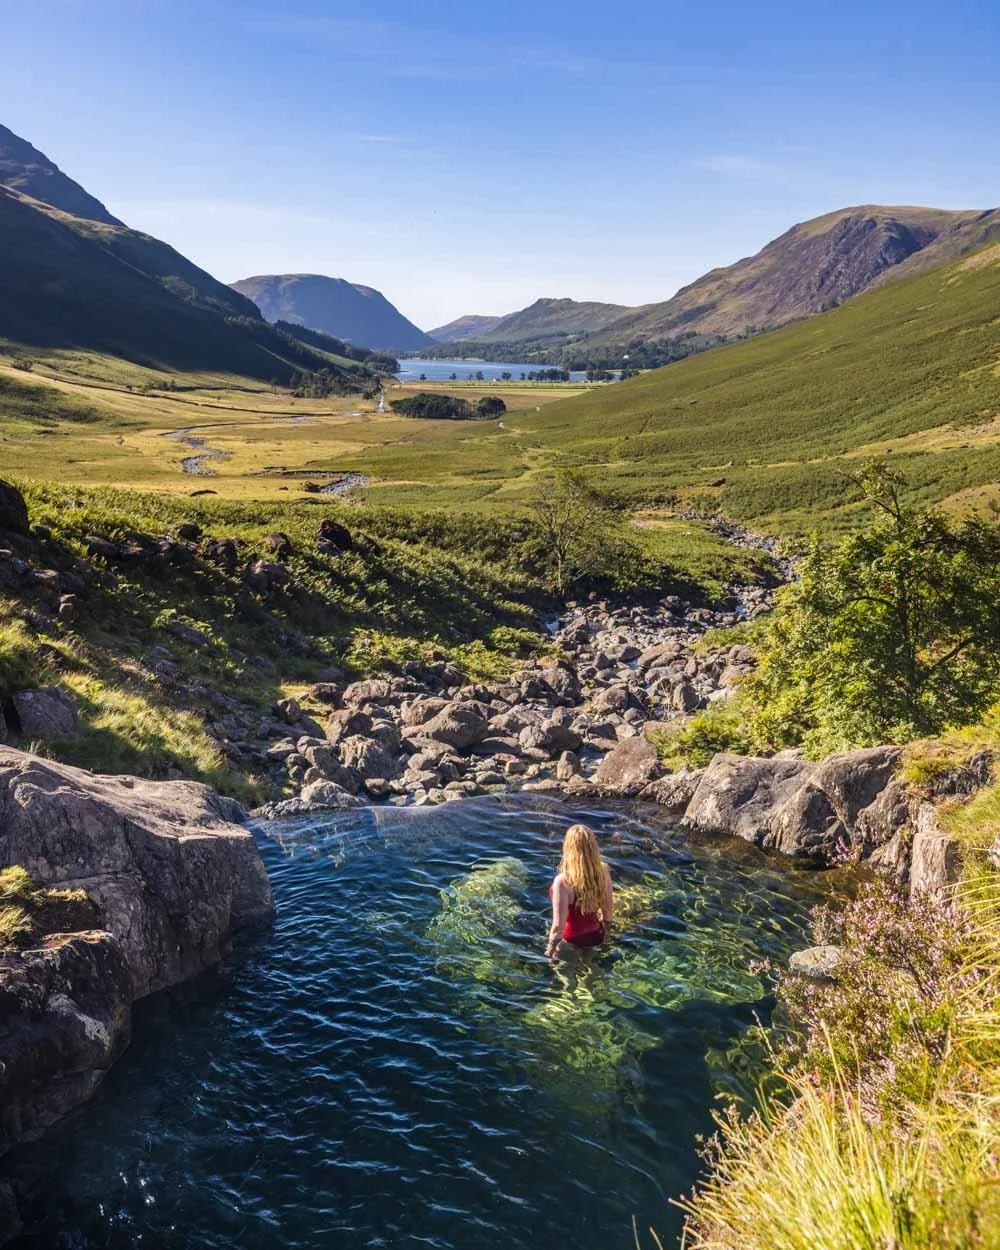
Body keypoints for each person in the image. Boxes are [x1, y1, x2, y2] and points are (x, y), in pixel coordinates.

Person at [546, 824, 614, 958]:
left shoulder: (563, 881)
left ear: (569, 848)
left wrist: (550, 950)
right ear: (594, 848)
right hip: (596, 936)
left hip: (571, 941)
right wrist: (607, 938)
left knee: (565, 976)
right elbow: (607, 911)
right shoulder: (603, 871)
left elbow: (558, 927)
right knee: (593, 975)